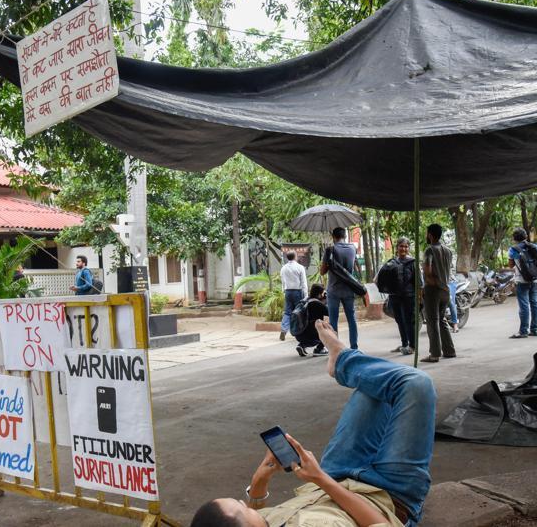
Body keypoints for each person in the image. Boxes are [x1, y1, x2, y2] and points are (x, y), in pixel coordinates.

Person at [190, 320, 435, 527]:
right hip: (389, 495)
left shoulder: (259, 520)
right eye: (243, 508)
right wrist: (319, 478)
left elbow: (256, 510)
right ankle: (342, 361)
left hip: (337, 474)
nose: (245, 503)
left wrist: (259, 480)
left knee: (373, 387)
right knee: (414, 384)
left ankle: (343, 360)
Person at [320, 227, 360, 350]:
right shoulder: (353, 248)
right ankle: (354, 347)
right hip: (349, 289)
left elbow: (322, 271)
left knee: (333, 320)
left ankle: (335, 349)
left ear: (333, 237)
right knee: (351, 319)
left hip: (333, 290)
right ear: (345, 236)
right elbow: (354, 268)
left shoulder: (330, 250)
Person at [420, 224, 455, 363]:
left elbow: (427, 272)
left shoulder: (429, 250)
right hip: (446, 289)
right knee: (441, 320)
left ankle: (434, 354)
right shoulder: (448, 251)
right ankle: (449, 351)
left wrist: (430, 284)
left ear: (430, 234)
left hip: (433, 290)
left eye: (427, 232)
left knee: (432, 321)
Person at [508, 228, 537, 338]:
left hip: (522, 280)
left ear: (514, 238)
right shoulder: (534, 246)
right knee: (534, 304)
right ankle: (534, 329)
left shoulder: (513, 249)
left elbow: (511, 265)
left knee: (524, 306)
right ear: (525, 236)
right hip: (534, 279)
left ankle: (523, 331)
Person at [384, 237, 419, 356]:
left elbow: (419, 282)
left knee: (410, 321)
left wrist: (420, 296)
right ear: (397, 247)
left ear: (408, 248)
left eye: (406, 246)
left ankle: (413, 346)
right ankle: (404, 344)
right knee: (399, 320)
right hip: (395, 296)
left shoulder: (413, 262)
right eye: (401, 246)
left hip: (409, 296)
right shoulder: (392, 262)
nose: (403, 249)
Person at [280, 251, 309, 342]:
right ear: (295, 257)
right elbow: (303, 282)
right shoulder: (300, 267)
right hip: (298, 292)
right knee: (299, 312)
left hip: (288, 292)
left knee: (287, 312)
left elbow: (283, 282)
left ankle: (284, 330)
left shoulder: (283, 268)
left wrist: (284, 292)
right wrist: (306, 295)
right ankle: (298, 331)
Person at [294, 284, 329, 357]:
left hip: (299, 334)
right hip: (312, 334)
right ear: (320, 294)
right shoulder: (319, 305)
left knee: (311, 327)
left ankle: (301, 345)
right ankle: (319, 349)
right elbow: (330, 315)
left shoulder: (303, 301)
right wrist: (325, 301)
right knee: (326, 327)